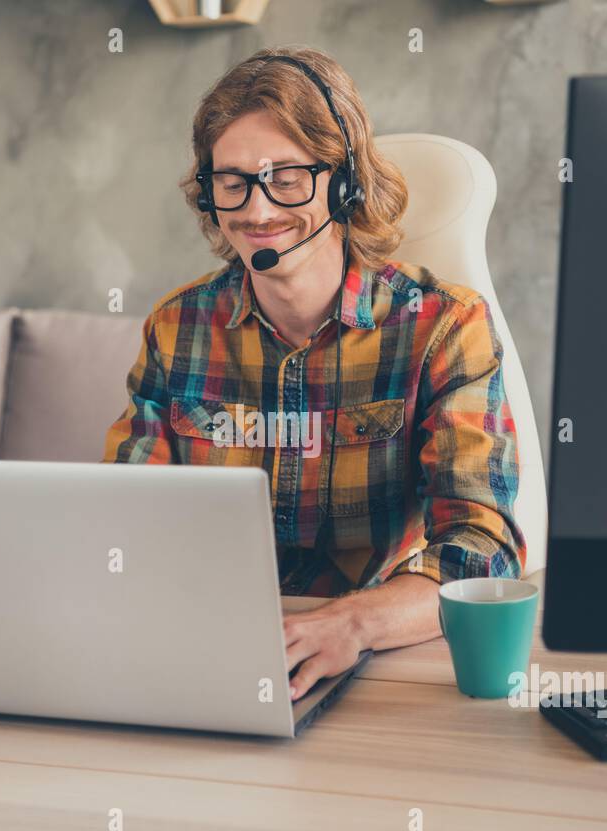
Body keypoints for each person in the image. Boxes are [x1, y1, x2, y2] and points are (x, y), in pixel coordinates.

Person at [104, 46, 524, 700]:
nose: (257, 209)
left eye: (287, 178)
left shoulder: (444, 326)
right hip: (208, 652)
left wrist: (352, 623)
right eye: (233, 181)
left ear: (345, 182)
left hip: (374, 659)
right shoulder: (176, 328)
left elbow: (482, 551)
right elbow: (123, 520)